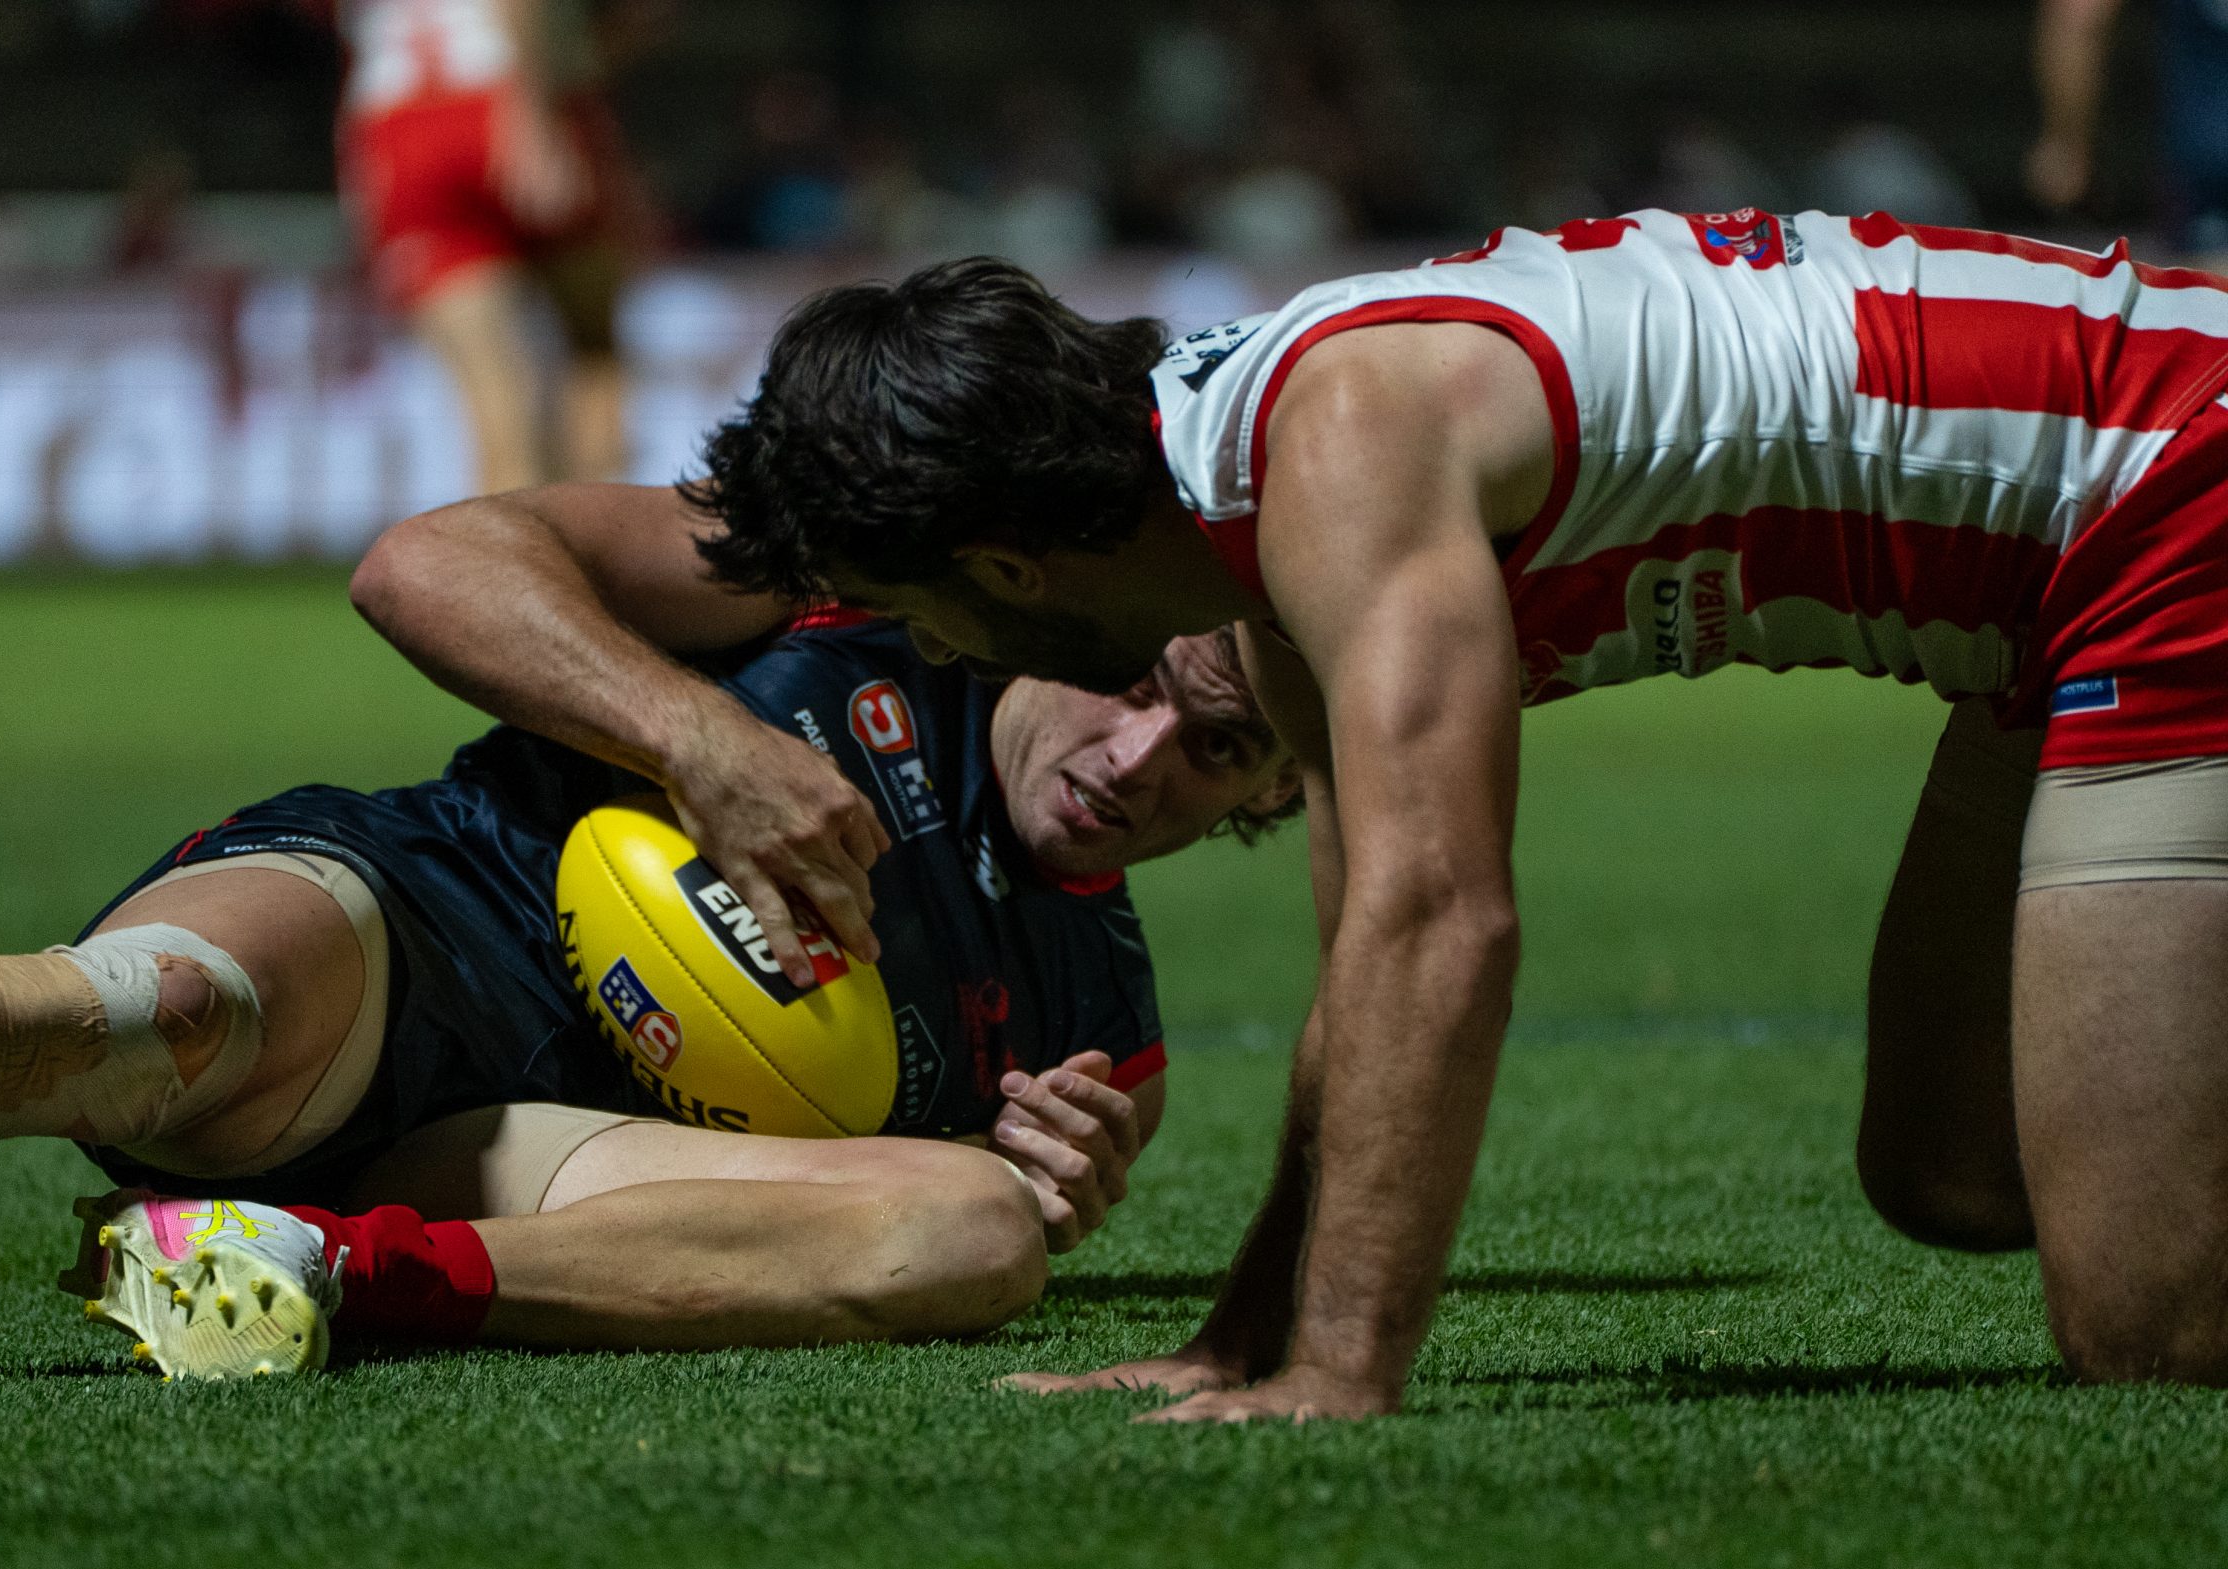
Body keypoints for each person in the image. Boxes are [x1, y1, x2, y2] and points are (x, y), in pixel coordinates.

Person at [671, 221, 2228, 1419]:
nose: (935, 656)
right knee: (1949, 1176)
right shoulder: (1244, 490)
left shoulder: (1332, 449)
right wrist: (1246, 1337)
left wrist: (1343, 1371)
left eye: (917, 613)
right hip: (2044, 599)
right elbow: (1368, 957)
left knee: (2150, 1332)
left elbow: (1445, 920)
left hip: (2170, 492)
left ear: (1005, 567)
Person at [0, 481, 1298, 1378]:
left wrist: (1042, 1183)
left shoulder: (1106, 1017)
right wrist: (702, 740)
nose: (1139, 756)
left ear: (1271, 792)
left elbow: (883, 1205)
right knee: (147, 1012)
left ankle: (314, 1281)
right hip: (413, 923)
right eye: (1142, 680)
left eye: (1221, 747)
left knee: (976, 1240)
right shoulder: (859, 591)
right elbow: (424, 566)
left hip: (542, 1154)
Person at [331, 0, 652, 489]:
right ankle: (593, 536)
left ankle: (520, 547)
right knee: (594, 360)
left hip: (399, 134)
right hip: (503, 100)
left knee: (499, 407)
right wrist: (536, 118)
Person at [2028, 0, 2228, 264]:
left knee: (2208, 293)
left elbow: (2079, 16)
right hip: (2207, 171)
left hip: (2207, 169)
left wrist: (2065, 146)